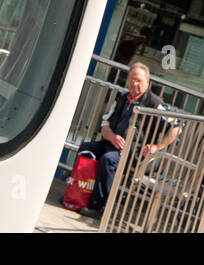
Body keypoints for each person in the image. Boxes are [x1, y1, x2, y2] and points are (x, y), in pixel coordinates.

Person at [76, 62, 180, 219]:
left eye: (138, 80)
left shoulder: (155, 104)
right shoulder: (122, 97)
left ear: (147, 82)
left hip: (133, 154)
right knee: (85, 148)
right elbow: (104, 122)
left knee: (108, 160)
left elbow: (177, 127)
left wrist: (157, 147)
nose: (134, 83)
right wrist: (111, 136)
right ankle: (77, 197)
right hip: (111, 144)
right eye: (131, 79)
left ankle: (98, 207)